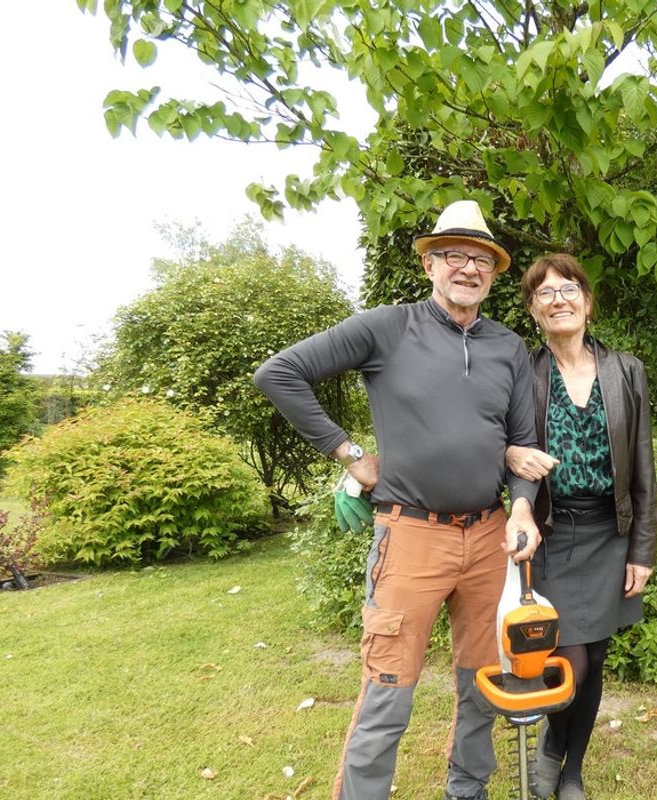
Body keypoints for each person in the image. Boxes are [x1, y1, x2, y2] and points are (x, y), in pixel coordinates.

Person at [252, 199, 542, 800]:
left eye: (481, 259)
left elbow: (523, 442)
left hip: (490, 536)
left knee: (482, 679)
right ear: (431, 264)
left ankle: (468, 788)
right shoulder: (386, 327)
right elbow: (279, 373)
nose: (469, 268)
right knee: (389, 686)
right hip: (411, 536)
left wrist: (520, 505)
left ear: (493, 273)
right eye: (455, 255)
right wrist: (348, 453)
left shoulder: (509, 347)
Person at [505, 253, 657, 800]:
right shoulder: (523, 372)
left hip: (610, 533)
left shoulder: (626, 371)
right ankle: (552, 742)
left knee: (594, 657)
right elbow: (506, 447)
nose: (559, 300)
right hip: (551, 532)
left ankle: (571, 770)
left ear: (587, 302)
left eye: (568, 289)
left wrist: (642, 548)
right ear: (533, 310)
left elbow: (642, 465)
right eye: (545, 293)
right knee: (564, 653)